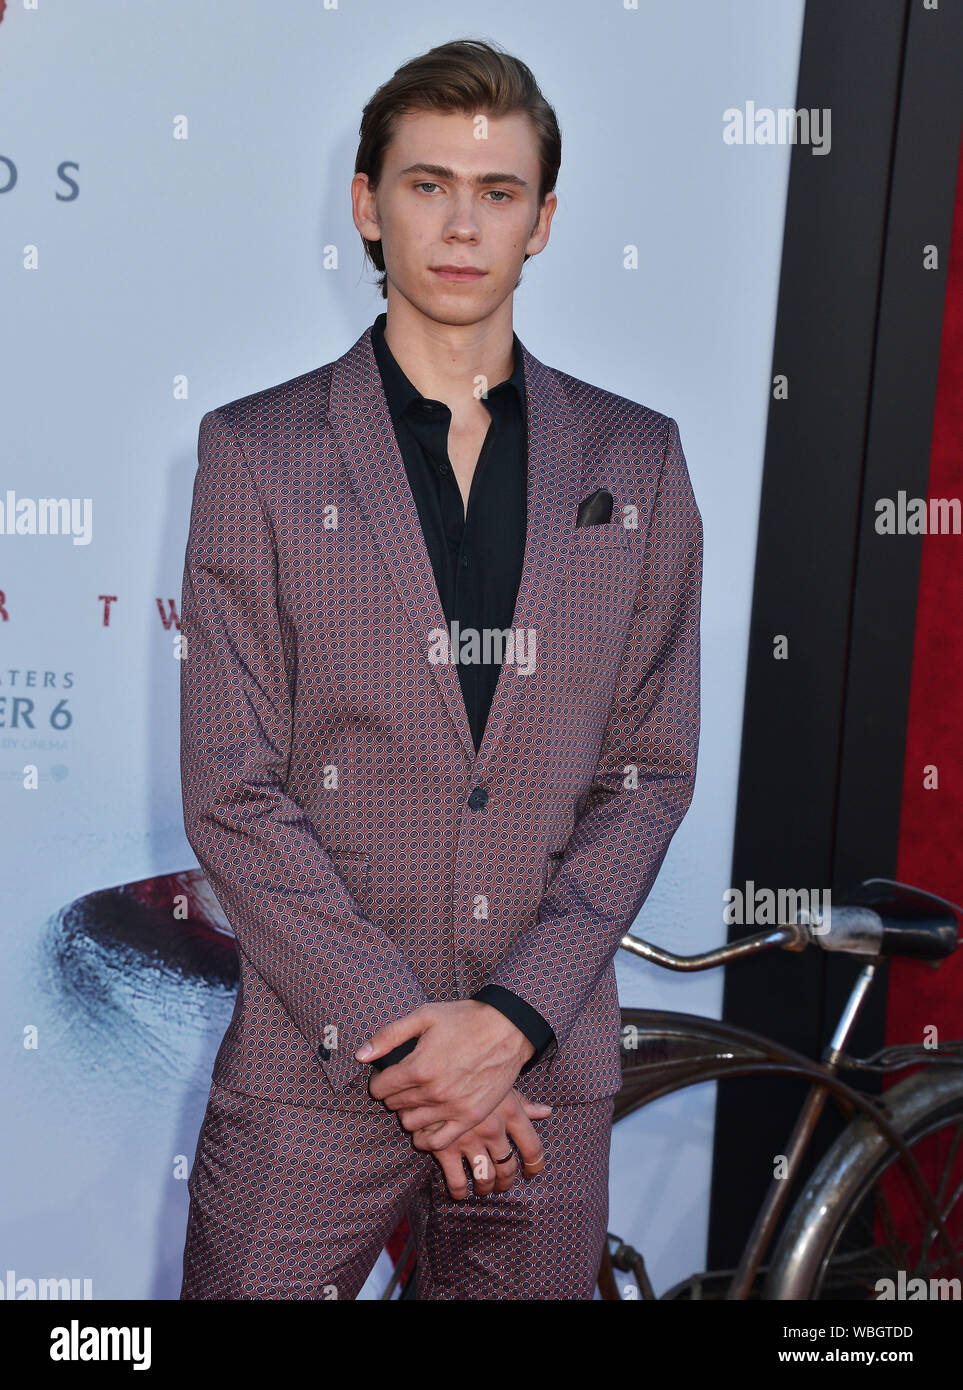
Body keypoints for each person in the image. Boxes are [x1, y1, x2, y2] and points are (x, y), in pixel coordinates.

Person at [178, 37, 702, 1301]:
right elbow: (233, 791)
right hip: (318, 1070)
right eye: (426, 185)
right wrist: (425, 1052)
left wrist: (509, 1026)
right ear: (367, 203)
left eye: (498, 191)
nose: (462, 223)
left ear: (544, 221)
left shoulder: (636, 464)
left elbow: (648, 774)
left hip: (542, 1077)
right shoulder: (255, 455)